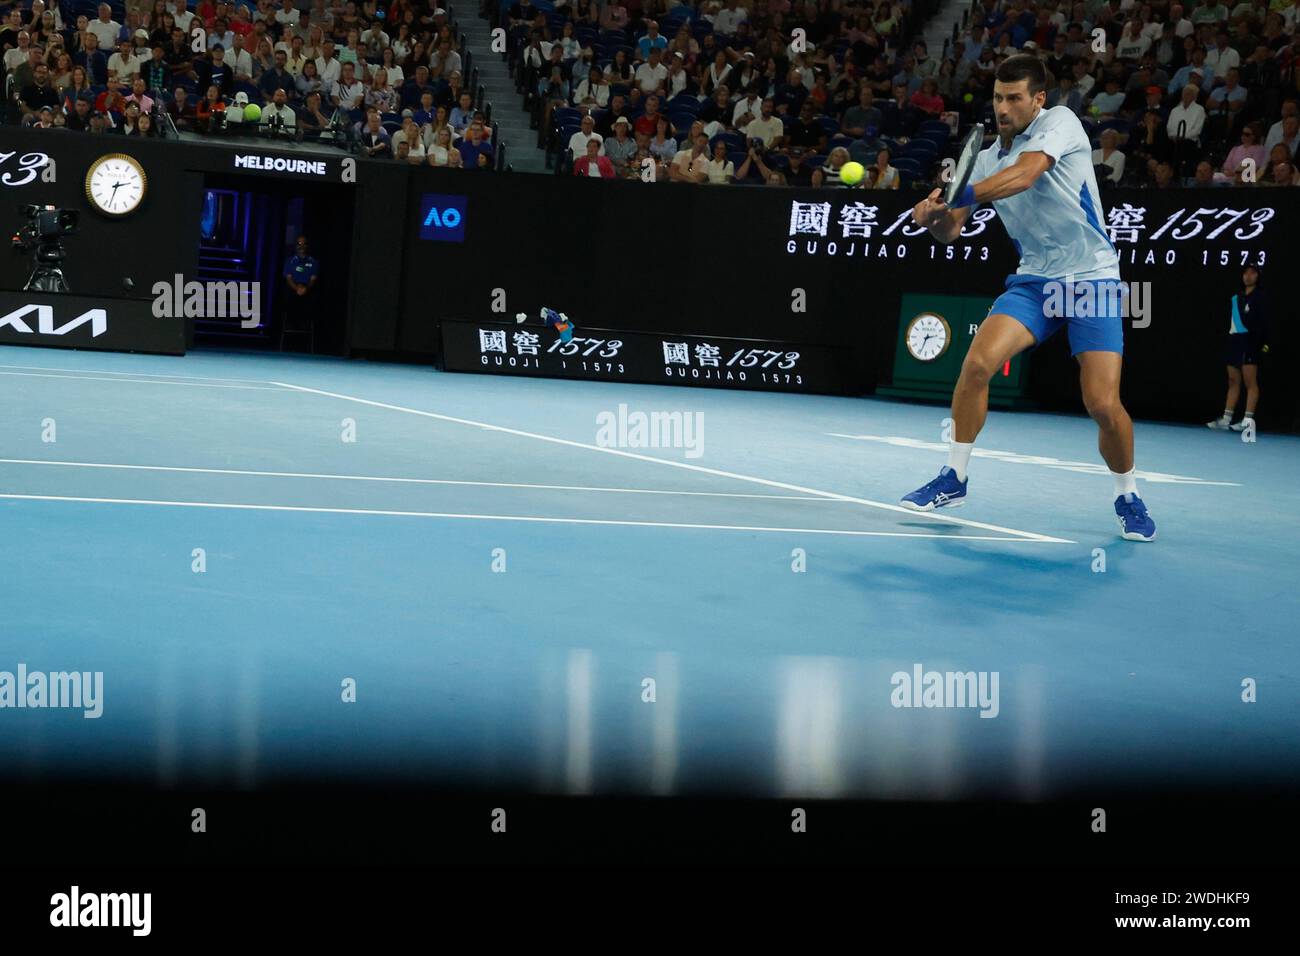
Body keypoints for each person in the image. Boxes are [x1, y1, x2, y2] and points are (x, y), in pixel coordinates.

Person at [905, 54, 1156, 541]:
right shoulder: (983, 160)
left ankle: (1128, 494)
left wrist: (959, 194)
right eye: (998, 97)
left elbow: (1025, 174)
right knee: (977, 365)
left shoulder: (1060, 123)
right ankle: (954, 476)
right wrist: (931, 214)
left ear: (1038, 99)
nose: (1003, 106)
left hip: (1091, 280)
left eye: (1014, 97)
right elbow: (949, 235)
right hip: (1036, 282)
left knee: (1102, 404)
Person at [1207, 266, 1269, 431]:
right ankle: (1226, 419)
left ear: (1258, 276)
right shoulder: (1236, 298)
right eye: (1245, 273)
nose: (1248, 276)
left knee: (1250, 382)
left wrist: (1262, 346)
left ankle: (1247, 421)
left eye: (1252, 273)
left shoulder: (1260, 298)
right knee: (1233, 381)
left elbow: (1264, 325)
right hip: (1234, 342)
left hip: (1250, 343)